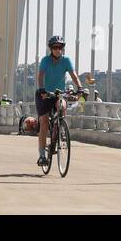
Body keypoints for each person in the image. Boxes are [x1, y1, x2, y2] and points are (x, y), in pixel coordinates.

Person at [35, 35, 82, 167]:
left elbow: (74, 75)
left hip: (58, 93)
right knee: (44, 122)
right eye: (55, 47)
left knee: (62, 105)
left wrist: (80, 87)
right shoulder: (45, 60)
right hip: (44, 94)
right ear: (51, 49)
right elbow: (40, 76)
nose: (58, 50)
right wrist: (42, 89)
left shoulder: (66, 60)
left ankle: (60, 127)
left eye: (60, 47)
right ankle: (42, 155)